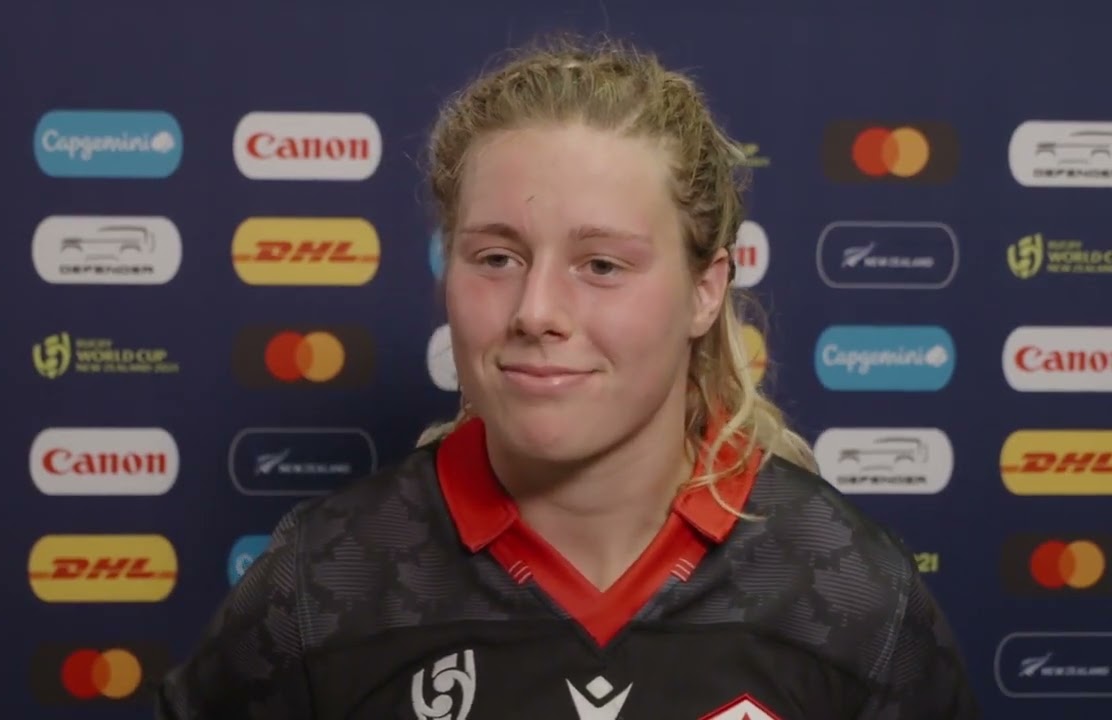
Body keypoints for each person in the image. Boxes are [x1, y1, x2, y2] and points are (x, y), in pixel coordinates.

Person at [154, 32, 980, 719]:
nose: (536, 309)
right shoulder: (324, 578)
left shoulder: (853, 596)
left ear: (705, 289)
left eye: (602, 264)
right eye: (497, 257)